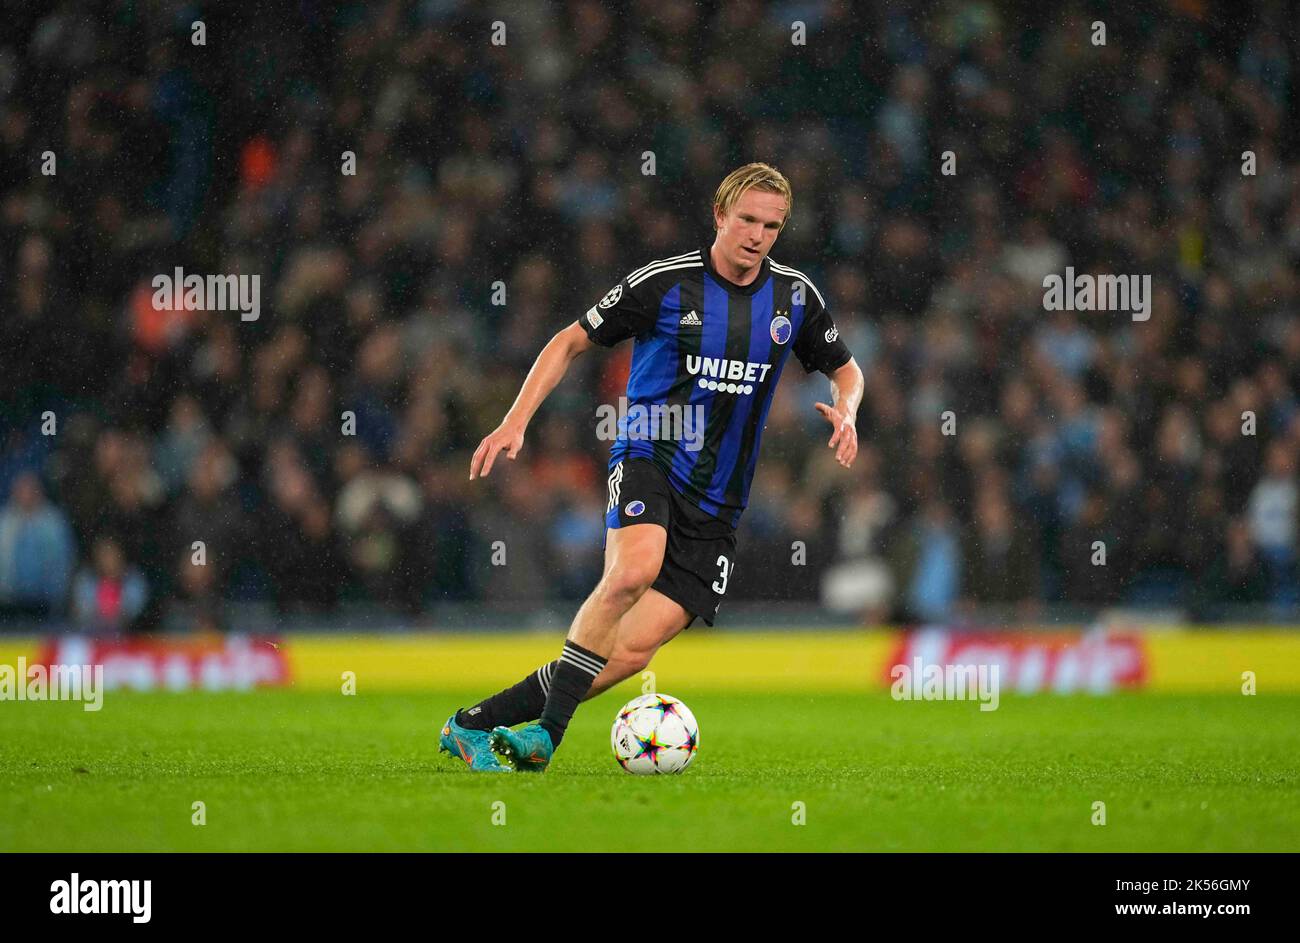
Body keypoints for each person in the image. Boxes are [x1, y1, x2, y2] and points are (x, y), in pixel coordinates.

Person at [440, 163, 864, 772]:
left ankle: (471, 723)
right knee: (631, 572)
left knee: (630, 652)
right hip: (650, 453)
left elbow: (846, 370)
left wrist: (847, 411)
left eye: (771, 226)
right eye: (746, 219)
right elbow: (569, 341)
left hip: (720, 500)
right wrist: (515, 420)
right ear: (720, 215)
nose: (756, 234)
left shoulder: (794, 298)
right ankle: (547, 737)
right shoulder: (665, 284)